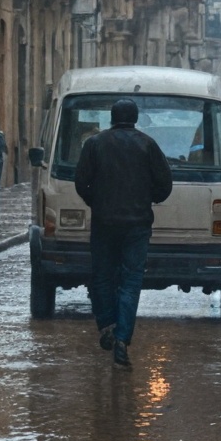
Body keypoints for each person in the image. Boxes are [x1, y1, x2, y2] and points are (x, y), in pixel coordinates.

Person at [74, 99, 173, 368]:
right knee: (131, 280)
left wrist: (96, 201)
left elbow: (80, 181)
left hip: (104, 222)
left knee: (103, 274)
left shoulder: (94, 144)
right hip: (138, 225)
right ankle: (122, 339)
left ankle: (107, 324)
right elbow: (165, 185)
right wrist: (146, 198)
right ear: (136, 118)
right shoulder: (148, 144)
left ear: (111, 117)